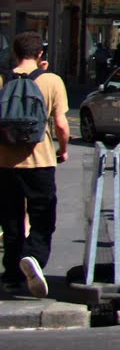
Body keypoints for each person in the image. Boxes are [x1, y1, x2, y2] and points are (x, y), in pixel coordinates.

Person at [0, 33, 71, 298]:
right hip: (40, 161)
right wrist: (62, 151)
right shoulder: (51, 80)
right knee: (43, 218)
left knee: (11, 220)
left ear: (14, 53)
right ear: (40, 54)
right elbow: (62, 125)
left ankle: (11, 277)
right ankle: (33, 257)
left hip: (5, 162)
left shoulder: (2, 79)